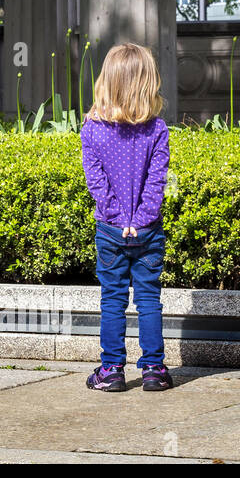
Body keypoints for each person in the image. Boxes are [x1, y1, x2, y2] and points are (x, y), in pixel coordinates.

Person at [80, 42, 173, 392]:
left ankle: (111, 371)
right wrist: (143, 216)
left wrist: (118, 218)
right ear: (147, 83)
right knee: (149, 298)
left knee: (113, 299)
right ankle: (153, 370)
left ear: (108, 81)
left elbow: (96, 182)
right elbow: (157, 180)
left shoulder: (91, 129)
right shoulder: (157, 129)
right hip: (147, 230)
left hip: (110, 229)